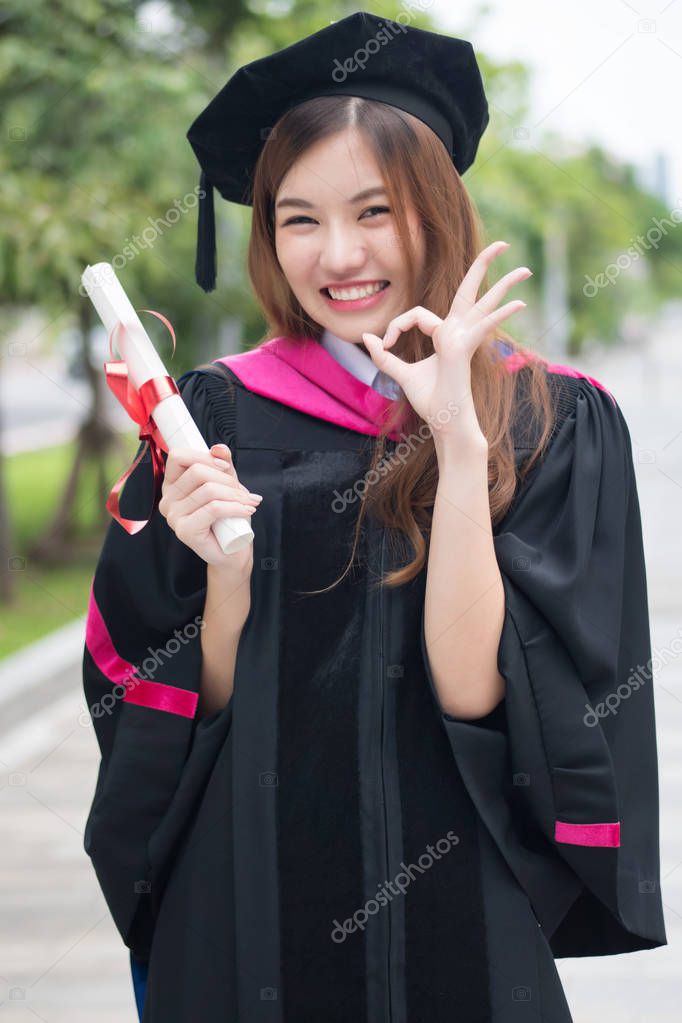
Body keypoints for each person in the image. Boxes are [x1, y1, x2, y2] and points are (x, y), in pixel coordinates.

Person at [82, 12, 667, 1023]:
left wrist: (459, 442)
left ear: (435, 210)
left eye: (374, 210)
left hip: (464, 915)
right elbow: (190, 702)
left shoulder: (550, 418)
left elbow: (476, 689)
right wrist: (219, 566)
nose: (338, 254)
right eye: (299, 218)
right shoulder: (212, 412)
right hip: (247, 902)